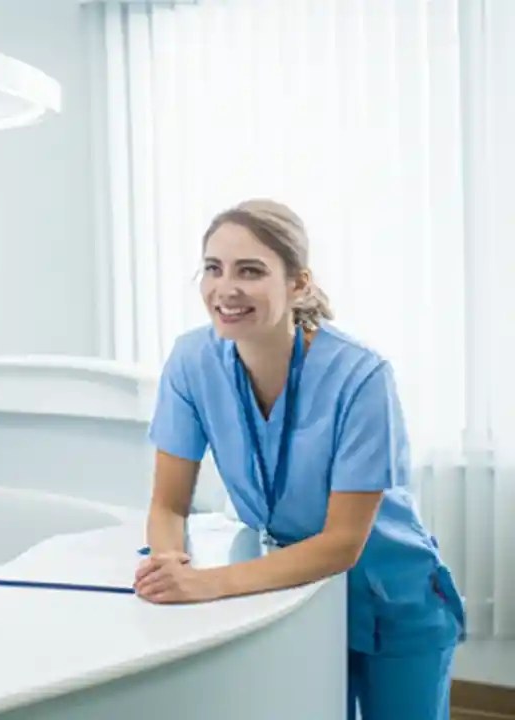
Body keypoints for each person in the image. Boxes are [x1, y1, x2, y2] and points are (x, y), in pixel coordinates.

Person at [135, 199, 466, 720]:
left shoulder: (360, 376)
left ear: (298, 285)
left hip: (391, 600)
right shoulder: (191, 362)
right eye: (213, 269)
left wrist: (205, 584)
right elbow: (168, 504)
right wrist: (169, 565)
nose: (226, 288)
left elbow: (342, 543)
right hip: (291, 597)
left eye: (251, 271)